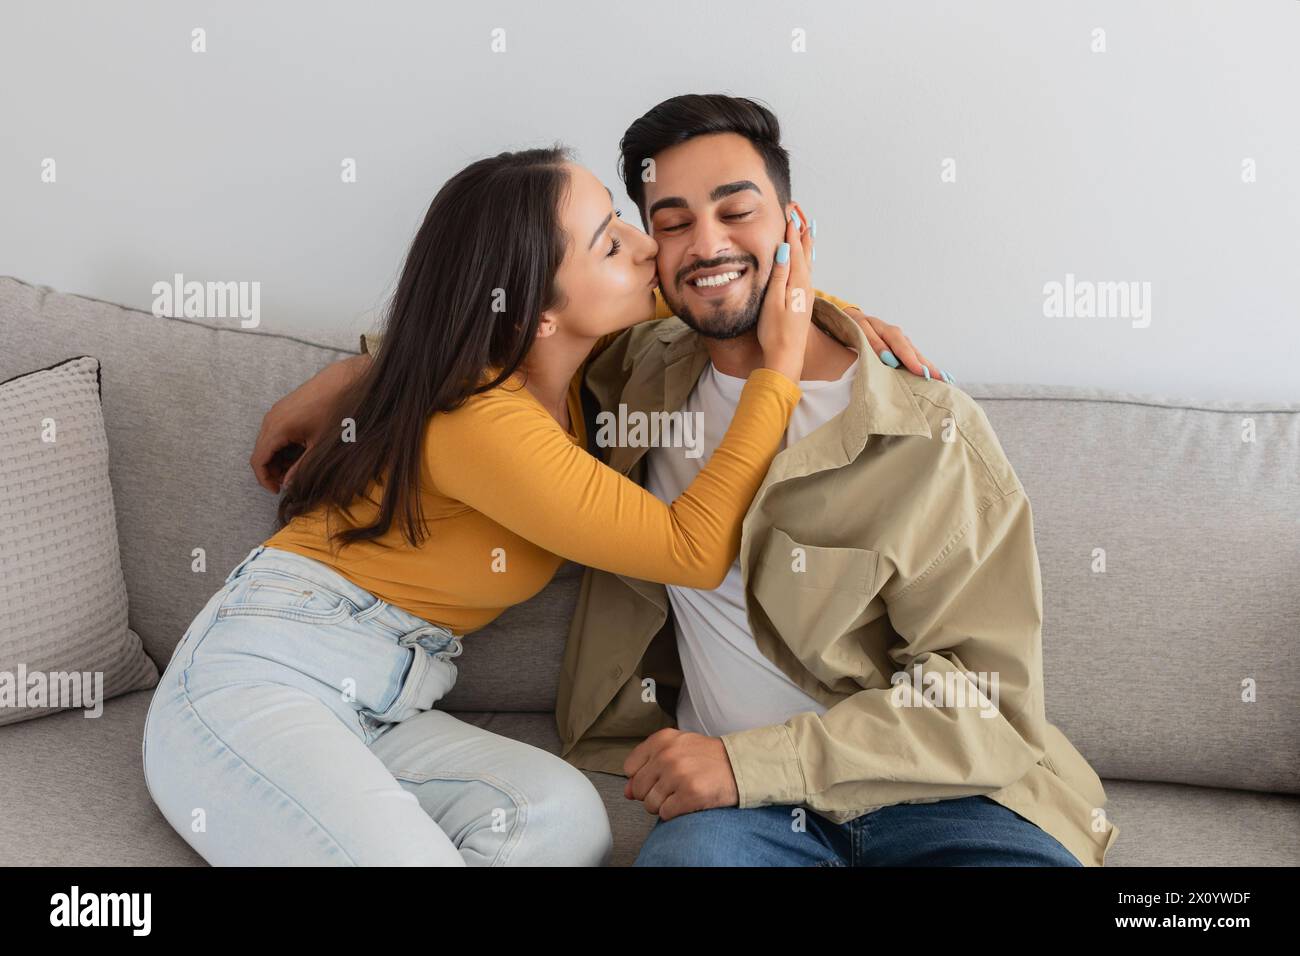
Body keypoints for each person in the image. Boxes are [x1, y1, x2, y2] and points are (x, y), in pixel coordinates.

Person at [293, 95, 1120, 867]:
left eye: (738, 210)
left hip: (943, 799)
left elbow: (987, 703)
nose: (709, 243)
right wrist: (334, 383)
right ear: (647, 252)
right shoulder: (634, 371)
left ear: (792, 224)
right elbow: (485, 322)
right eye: (672, 221)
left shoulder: (929, 432)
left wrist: (745, 763)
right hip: (735, 823)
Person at [145, 141, 926, 866]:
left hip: (390, 700)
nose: (650, 245)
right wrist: (778, 376)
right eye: (612, 244)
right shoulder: (481, 417)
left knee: (559, 819)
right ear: (536, 312)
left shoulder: (569, 361)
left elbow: (723, 289)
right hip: (261, 676)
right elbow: (692, 550)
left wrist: (833, 317)